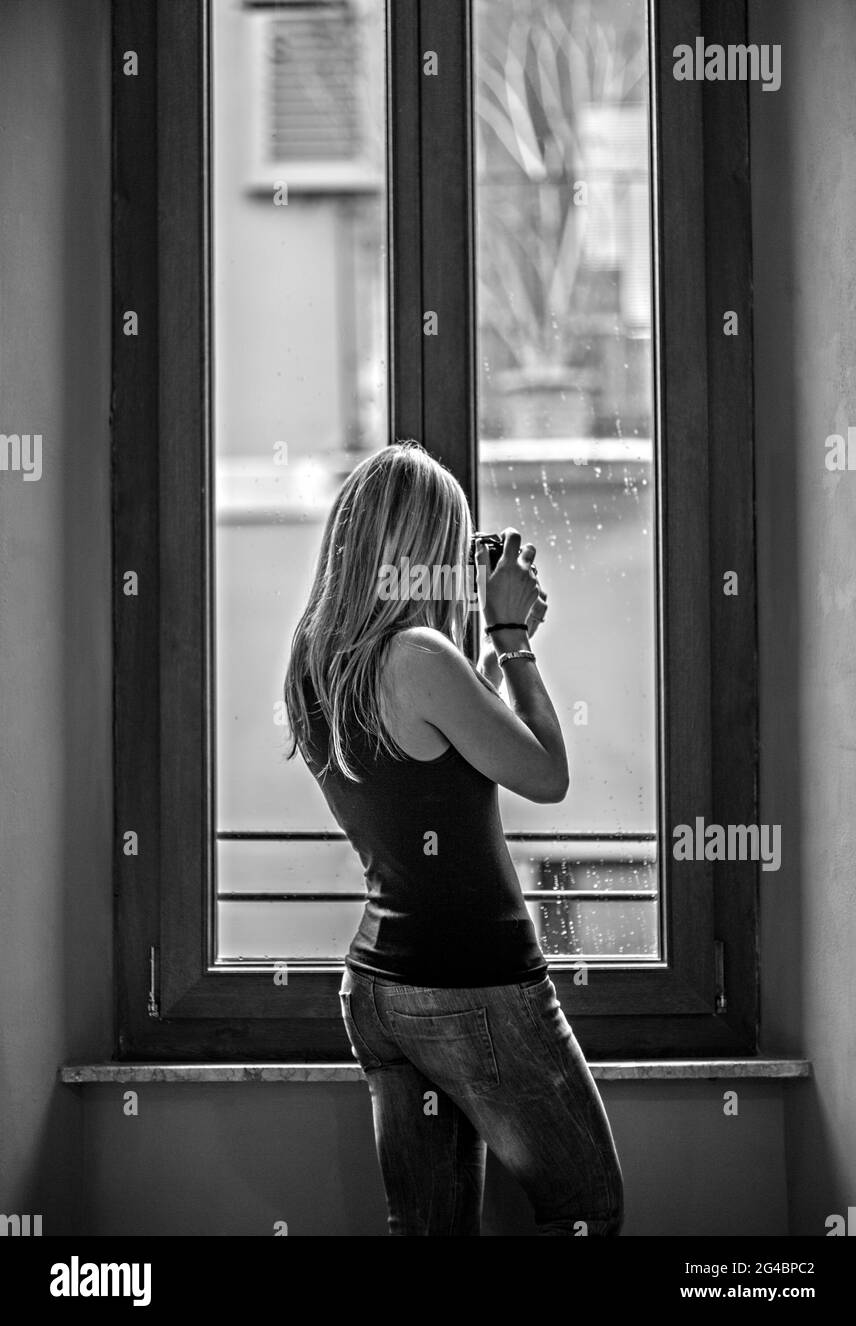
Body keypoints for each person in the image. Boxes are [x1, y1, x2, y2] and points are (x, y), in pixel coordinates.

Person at [284, 440, 623, 1237]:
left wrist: (497, 645)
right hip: (472, 982)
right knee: (586, 1211)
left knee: (428, 1230)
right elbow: (544, 774)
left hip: (379, 986)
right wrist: (512, 640)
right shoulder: (420, 655)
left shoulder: (318, 657)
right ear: (425, 547)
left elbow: (442, 749)